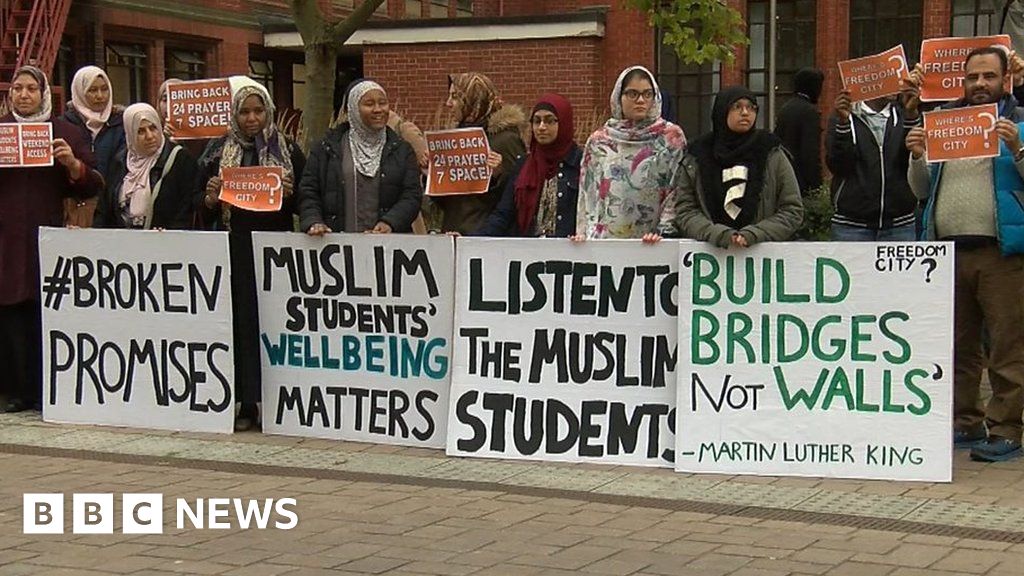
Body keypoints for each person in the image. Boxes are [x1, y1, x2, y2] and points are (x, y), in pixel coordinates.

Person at [905, 46, 1024, 462]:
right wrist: (917, 156)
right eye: (972, 77)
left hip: (1001, 253)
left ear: (1005, 78)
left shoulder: (1020, 123)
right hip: (948, 252)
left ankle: (1007, 428)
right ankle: (965, 421)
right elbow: (922, 190)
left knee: (1007, 346)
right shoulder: (946, 123)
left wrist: (1019, 148)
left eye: (988, 76)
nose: (979, 85)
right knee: (958, 345)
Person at [196, 78, 306, 431]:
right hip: (235, 249)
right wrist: (211, 199)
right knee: (241, 323)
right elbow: (199, 209)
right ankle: (246, 402)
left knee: (275, 324)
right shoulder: (216, 152)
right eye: (244, 111)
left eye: (258, 111)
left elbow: (308, 200)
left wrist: (291, 193)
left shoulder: (288, 150)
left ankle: (279, 401)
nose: (251, 118)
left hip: (275, 252)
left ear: (269, 111)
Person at [0, 66, 103, 412]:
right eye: (17, 88)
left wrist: (73, 165)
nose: (24, 95)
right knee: (11, 312)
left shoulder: (65, 132)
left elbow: (94, 184)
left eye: (31, 88)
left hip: (51, 240)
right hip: (7, 241)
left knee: (46, 314)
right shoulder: (1, 132)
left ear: (43, 93)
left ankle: (47, 388)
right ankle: (16, 391)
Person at [661, 86, 803, 246]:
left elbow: (792, 210)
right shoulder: (698, 155)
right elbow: (685, 210)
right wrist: (717, 234)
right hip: (710, 256)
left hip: (762, 258)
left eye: (751, 107)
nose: (745, 113)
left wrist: (755, 234)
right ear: (722, 110)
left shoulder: (771, 152)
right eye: (737, 106)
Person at [575, 65, 686, 240]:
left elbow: (677, 189)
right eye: (632, 94)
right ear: (619, 97)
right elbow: (588, 194)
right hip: (606, 242)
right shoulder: (600, 141)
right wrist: (583, 234)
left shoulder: (671, 138)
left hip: (653, 242)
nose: (640, 100)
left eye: (647, 94)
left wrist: (664, 232)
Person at [299, 80, 422, 235]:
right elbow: (309, 191)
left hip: (387, 246)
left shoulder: (402, 151)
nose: (378, 110)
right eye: (369, 104)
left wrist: (390, 222)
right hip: (338, 246)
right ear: (353, 109)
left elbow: (412, 195)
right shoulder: (326, 149)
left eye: (382, 103)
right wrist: (314, 221)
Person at [825, 75, 922, 241]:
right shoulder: (844, 117)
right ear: (870, 84)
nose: (897, 84)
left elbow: (909, 162)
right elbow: (838, 165)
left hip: (899, 225)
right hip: (851, 226)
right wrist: (843, 123)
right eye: (889, 79)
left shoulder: (904, 115)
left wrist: (911, 115)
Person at [431, 72, 526, 234]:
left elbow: (516, 198)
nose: (448, 103)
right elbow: (446, 203)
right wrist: (431, 174)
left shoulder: (506, 140)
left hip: (486, 240)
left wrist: (498, 176)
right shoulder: (455, 140)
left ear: (473, 99)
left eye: (455, 97)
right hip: (453, 235)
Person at [476, 93, 581, 237]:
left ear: (563, 123)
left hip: (569, 254)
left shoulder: (580, 163)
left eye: (549, 121)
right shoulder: (523, 165)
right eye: (537, 121)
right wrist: (468, 242)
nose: (542, 127)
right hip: (528, 253)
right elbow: (503, 215)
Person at [94, 103, 198, 230]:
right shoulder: (119, 161)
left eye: (153, 128)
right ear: (130, 135)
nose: (149, 136)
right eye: (140, 131)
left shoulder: (180, 159)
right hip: (124, 244)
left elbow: (186, 210)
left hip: (165, 243)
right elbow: (105, 211)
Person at [62, 65, 125, 227]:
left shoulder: (121, 123)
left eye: (104, 89)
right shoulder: (65, 126)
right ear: (80, 92)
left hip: (113, 210)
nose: (100, 96)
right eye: (92, 90)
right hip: (75, 210)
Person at [775, 67, 824, 193]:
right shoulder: (809, 112)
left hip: (784, 176)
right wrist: (816, 186)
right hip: (802, 183)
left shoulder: (785, 108)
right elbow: (810, 152)